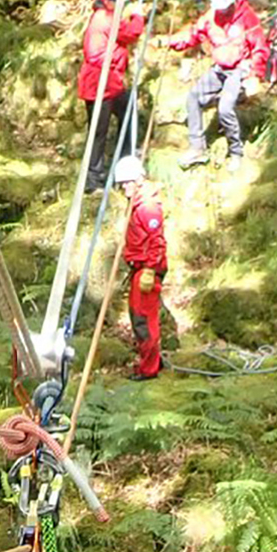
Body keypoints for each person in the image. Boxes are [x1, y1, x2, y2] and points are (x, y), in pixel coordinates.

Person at [166, 0, 269, 167]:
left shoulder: (246, 16)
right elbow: (194, 34)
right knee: (194, 98)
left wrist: (255, 74)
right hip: (219, 68)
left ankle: (235, 151)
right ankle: (197, 148)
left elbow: (260, 47)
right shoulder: (211, 16)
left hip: (239, 69)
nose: (222, 11)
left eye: (225, 7)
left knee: (225, 108)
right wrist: (170, 42)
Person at [79, 0, 148, 194]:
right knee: (98, 132)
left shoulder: (105, 12)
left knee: (128, 110)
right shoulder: (107, 19)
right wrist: (138, 15)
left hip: (110, 81)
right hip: (99, 82)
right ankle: (92, 179)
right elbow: (130, 33)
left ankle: (125, 160)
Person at [114, 153, 166, 381]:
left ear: (138, 180)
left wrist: (150, 270)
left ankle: (149, 368)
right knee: (138, 317)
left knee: (144, 320)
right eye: (122, 183)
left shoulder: (147, 207)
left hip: (146, 269)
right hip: (139, 267)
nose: (124, 187)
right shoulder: (136, 204)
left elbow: (157, 241)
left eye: (127, 182)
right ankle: (151, 360)